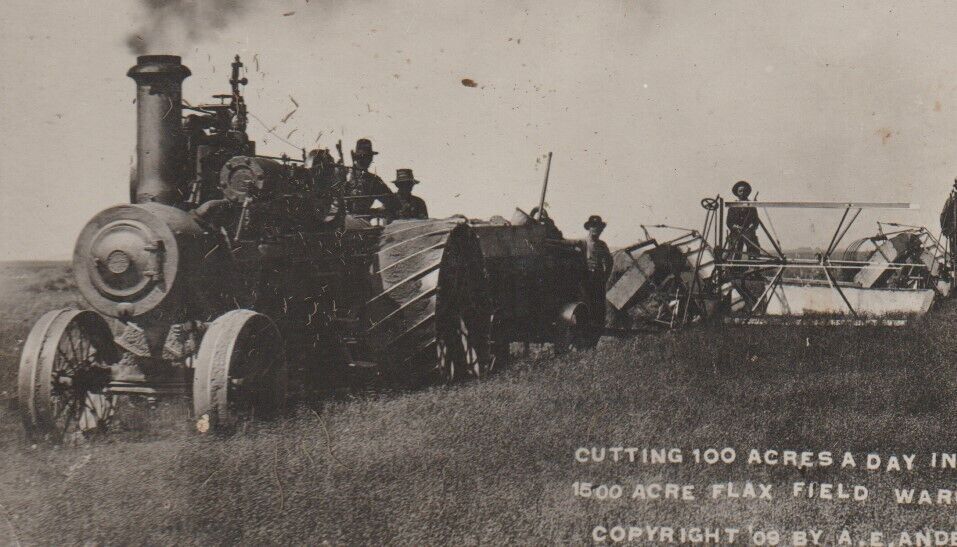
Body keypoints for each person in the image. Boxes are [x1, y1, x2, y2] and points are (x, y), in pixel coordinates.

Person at [342, 138, 397, 217]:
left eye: (368, 157)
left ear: (371, 159)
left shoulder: (374, 181)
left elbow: (393, 203)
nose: (365, 160)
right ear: (356, 158)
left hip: (363, 222)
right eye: (361, 157)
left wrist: (374, 212)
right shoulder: (343, 175)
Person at [583, 214, 613, 333]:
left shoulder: (602, 245)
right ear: (589, 227)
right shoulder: (582, 243)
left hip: (598, 282)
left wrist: (605, 278)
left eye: (599, 227)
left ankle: (594, 341)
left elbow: (609, 262)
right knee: (585, 309)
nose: (597, 229)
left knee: (599, 312)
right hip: (585, 282)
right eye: (594, 226)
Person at [726, 180, 761, 259]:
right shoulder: (733, 206)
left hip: (748, 232)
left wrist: (752, 226)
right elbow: (729, 222)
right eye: (740, 191)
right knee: (734, 253)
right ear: (737, 192)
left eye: (744, 191)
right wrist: (736, 226)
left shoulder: (751, 205)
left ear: (747, 192)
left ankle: (754, 267)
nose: (742, 193)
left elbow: (756, 221)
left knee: (754, 251)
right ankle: (734, 269)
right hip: (736, 233)